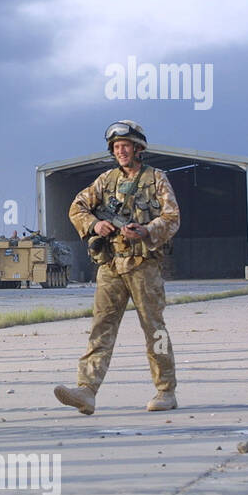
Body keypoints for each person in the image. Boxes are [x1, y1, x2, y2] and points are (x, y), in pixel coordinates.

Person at [54, 120, 180, 415]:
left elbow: (172, 218)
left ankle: (165, 390)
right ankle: (86, 390)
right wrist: (95, 224)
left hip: (143, 264)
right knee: (101, 327)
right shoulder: (105, 180)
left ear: (138, 149)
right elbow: (77, 206)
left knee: (155, 329)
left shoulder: (156, 179)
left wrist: (147, 231)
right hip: (111, 264)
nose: (121, 151)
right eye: (116, 147)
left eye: (125, 146)